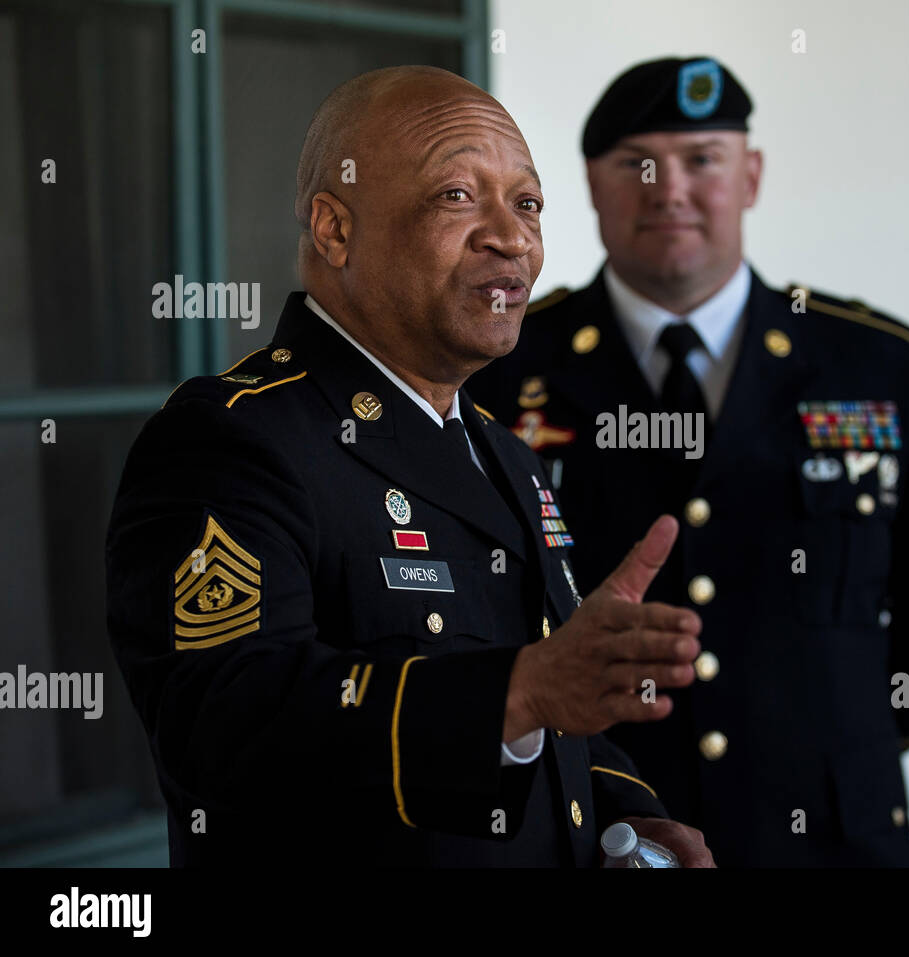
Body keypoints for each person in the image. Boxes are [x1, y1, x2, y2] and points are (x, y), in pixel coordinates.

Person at [105, 65, 715, 867]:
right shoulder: (231, 441)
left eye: (527, 203)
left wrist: (629, 818)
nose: (512, 236)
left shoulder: (505, 453)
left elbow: (549, 714)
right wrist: (518, 691)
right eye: (458, 195)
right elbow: (222, 726)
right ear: (334, 229)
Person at [469, 57, 909, 866]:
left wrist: (841, 742)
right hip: (605, 840)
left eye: (703, 160)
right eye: (637, 164)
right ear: (589, 183)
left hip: (834, 839)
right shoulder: (501, 370)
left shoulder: (876, 363)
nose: (669, 189)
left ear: (750, 176)